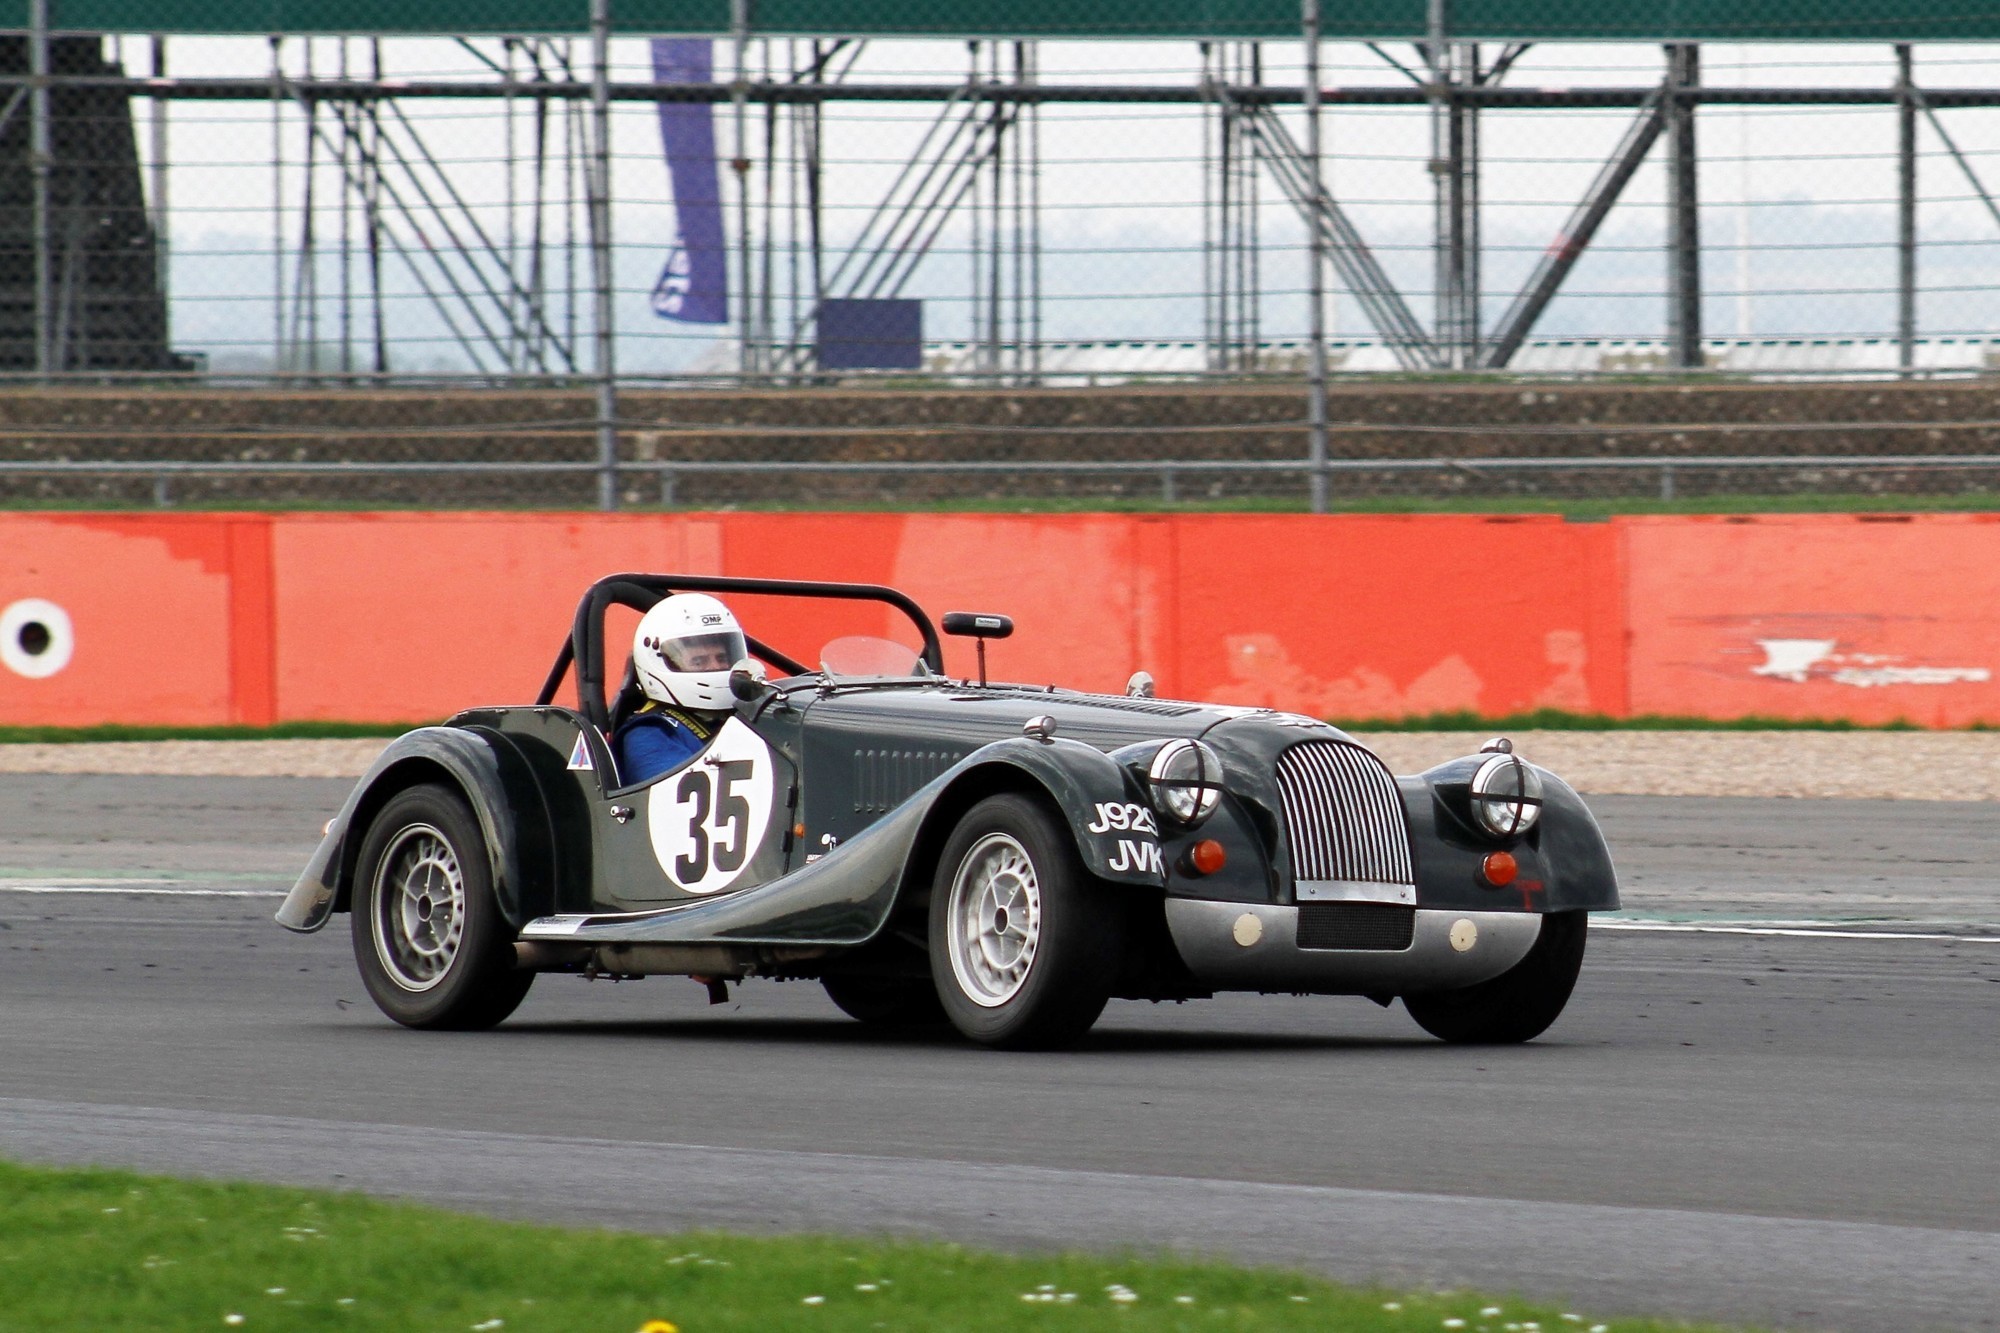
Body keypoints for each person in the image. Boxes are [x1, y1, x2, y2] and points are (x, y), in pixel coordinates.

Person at [614, 592, 746, 786]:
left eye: (721, 658)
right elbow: (680, 795)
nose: (715, 668)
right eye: (699, 661)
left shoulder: (751, 716)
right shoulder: (648, 734)